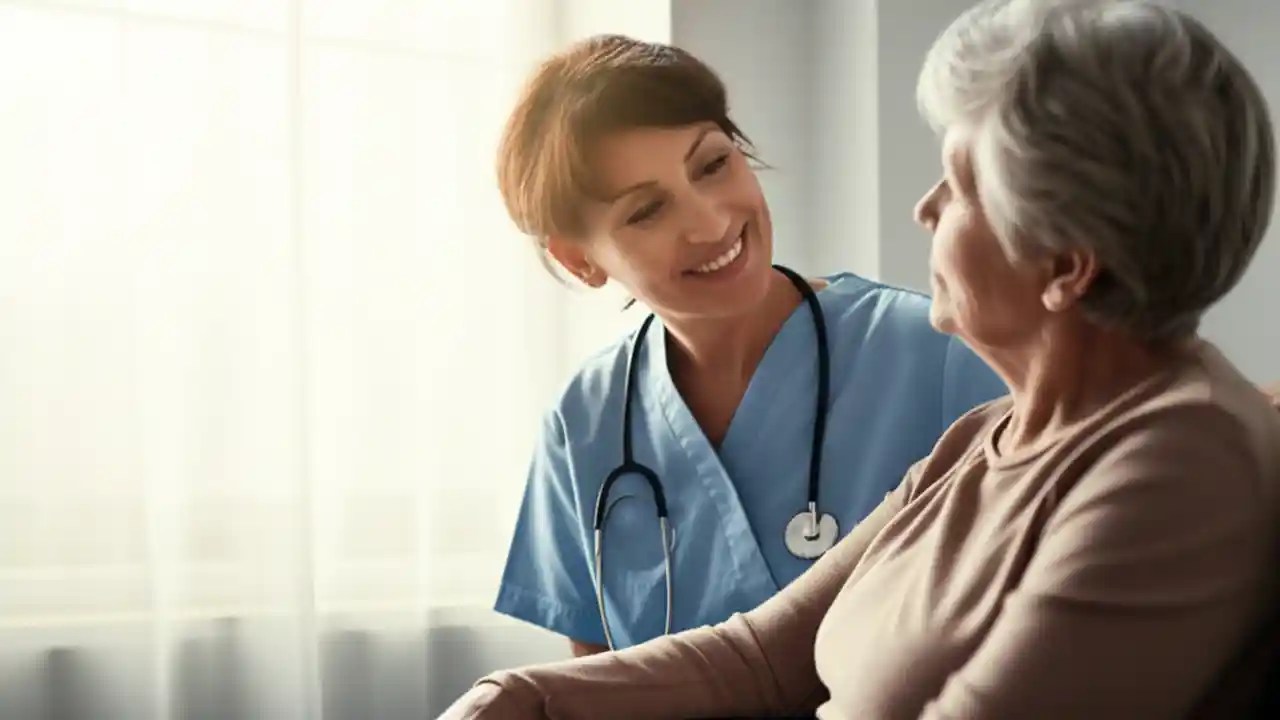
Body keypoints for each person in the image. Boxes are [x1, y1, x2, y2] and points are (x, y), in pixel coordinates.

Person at [446, 0, 1280, 717]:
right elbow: (761, 656)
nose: (922, 210)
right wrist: (527, 693)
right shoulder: (989, 438)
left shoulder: (1175, 459)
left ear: (1066, 266)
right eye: (645, 211)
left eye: (959, 186)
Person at [490, 34, 1008, 655]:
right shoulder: (585, 422)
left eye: (713, 165)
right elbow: (595, 684)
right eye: (647, 210)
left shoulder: (940, 354)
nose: (710, 222)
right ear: (578, 260)